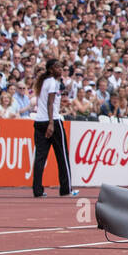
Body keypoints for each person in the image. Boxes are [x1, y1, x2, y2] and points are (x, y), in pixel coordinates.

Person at [32, 58, 76, 198]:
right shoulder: (53, 83)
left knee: (40, 157)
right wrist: (51, 123)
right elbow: (50, 103)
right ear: (51, 69)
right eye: (57, 67)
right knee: (62, 155)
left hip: (39, 121)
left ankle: (37, 190)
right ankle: (66, 189)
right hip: (52, 121)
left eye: (61, 67)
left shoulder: (43, 82)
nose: (61, 70)